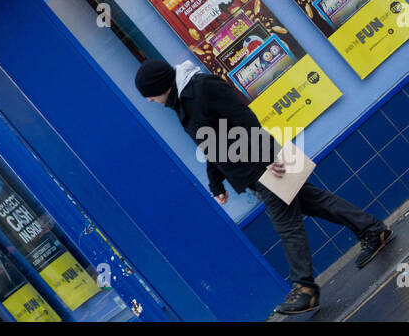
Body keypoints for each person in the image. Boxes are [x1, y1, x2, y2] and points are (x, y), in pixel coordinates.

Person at [135, 58, 394, 316]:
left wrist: (268, 158)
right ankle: (372, 229)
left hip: (266, 163)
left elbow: (244, 117)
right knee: (314, 202)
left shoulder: (203, 87)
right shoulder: (183, 102)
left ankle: (305, 290)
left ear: (161, 85)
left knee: (287, 224)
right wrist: (216, 183)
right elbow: (210, 143)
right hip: (256, 168)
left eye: (149, 94)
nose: (149, 100)